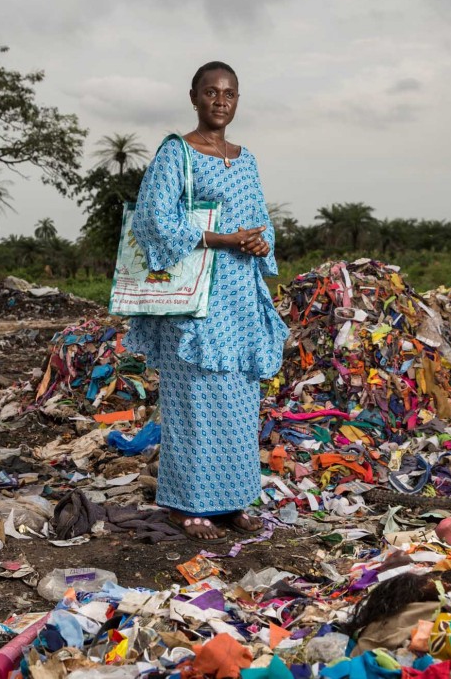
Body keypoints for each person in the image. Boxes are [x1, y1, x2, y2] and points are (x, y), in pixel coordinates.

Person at [123, 61, 289, 541]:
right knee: (194, 399)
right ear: (193, 97)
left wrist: (260, 243)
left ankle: (232, 501)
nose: (220, 100)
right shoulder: (178, 153)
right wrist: (223, 239)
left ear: (238, 100)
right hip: (195, 296)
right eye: (211, 92)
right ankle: (186, 505)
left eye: (229, 93)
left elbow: (261, 219)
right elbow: (153, 219)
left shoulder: (247, 158)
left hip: (240, 295)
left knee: (238, 398)